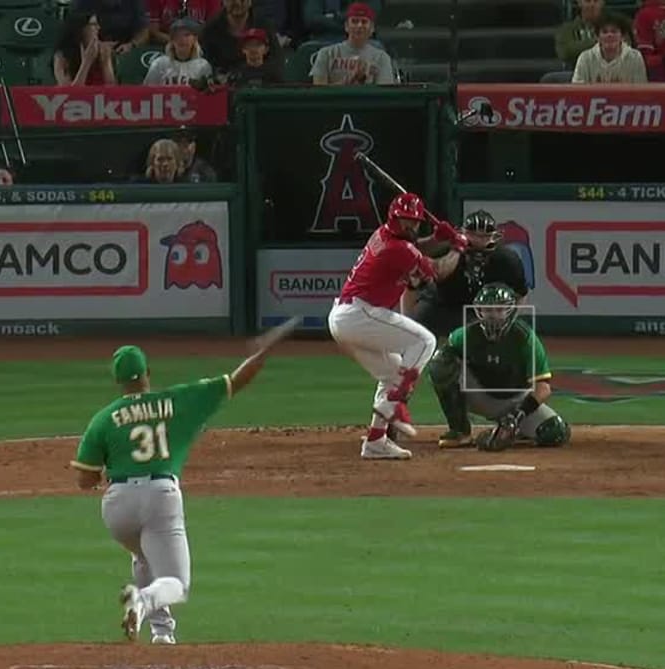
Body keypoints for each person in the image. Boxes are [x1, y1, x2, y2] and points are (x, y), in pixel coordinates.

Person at [71, 342, 278, 644]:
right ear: (147, 373)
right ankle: (142, 601)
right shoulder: (178, 401)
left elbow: (84, 479)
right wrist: (260, 357)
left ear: (118, 381)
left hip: (117, 508)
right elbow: (235, 381)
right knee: (178, 584)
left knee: (142, 555)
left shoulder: (104, 418)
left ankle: (162, 633)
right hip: (160, 497)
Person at [328, 192, 465, 460]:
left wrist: (439, 239)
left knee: (392, 371)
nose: (411, 226)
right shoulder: (396, 248)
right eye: (406, 221)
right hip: (358, 314)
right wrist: (457, 247)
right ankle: (398, 403)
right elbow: (437, 271)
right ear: (394, 217)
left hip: (348, 317)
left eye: (414, 221)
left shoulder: (388, 235)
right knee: (425, 341)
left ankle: (375, 441)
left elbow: (415, 249)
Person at [427, 283, 570, 451]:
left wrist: (517, 415)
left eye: (499, 310)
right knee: (440, 363)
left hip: (517, 400)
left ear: (510, 311)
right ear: (479, 311)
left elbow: (543, 387)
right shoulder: (466, 335)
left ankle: (511, 430)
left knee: (555, 432)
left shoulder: (524, 338)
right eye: (488, 310)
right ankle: (460, 430)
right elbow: (440, 365)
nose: (493, 316)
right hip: (480, 393)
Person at [410, 209, 528, 340]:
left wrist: (509, 321)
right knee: (415, 328)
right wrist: (450, 246)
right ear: (463, 233)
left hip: (477, 312)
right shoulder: (445, 248)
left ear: (495, 236)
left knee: (486, 330)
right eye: (473, 234)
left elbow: (520, 293)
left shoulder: (507, 260)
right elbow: (414, 271)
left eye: (484, 236)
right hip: (437, 304)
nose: (479, 240)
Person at [310, 3, 396, 84]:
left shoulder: (382, 58)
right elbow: (319, 93)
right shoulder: (326, 54)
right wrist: (350, 79)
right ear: (346, 26)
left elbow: (384, 96)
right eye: (354, 21)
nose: (359, 25)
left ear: (372, 28)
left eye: (364, 22)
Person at [201, 0, 281, 74]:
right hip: (226, 85)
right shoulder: (210, 30)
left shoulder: (264, 25)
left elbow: (276, 61)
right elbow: (208, 67)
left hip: (263, 83)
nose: (237, 3)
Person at [572, 14, 648, 82]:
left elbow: (641, 92)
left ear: (622, 36)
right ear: (597, 37)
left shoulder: (635, 57)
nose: (609, 35)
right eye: (605, 32)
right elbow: (576, 91)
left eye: (614, 31)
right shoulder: (585, 58)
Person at [144, 18, 215, 83]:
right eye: (177, 35)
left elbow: (208, 94)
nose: (182, 39)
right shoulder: (159, 64)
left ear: (195, 39)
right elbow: (146, 91)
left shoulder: (203, 66)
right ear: (172, 40)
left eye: (187, 35)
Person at [54, 13, 119, 85]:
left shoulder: (104, 52)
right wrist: (86, 63)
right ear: (81, 29)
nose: (98, 28)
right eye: (94, 24)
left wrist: (106, 63)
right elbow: (69, 94)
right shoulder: (62, 57)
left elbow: (113, 92)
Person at [556, 0, 607, 66]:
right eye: (587, 1)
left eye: (596, 1)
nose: (592, 5)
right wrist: (598, 42)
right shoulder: (566, 29)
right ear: (579, 2)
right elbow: (565, 52)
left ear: (602, 2)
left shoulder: (616, 26)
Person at [148, 0, 221, 43]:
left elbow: (213, 31)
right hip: (164, 45)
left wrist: (190, 42)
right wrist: (177, 42)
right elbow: (153, 31)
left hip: (200, 46)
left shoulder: (212, 1)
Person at [306, 0, 380, 41]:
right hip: (323, 40)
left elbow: (368, 17)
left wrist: (335, 17)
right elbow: (312, 20)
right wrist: (346, 19)